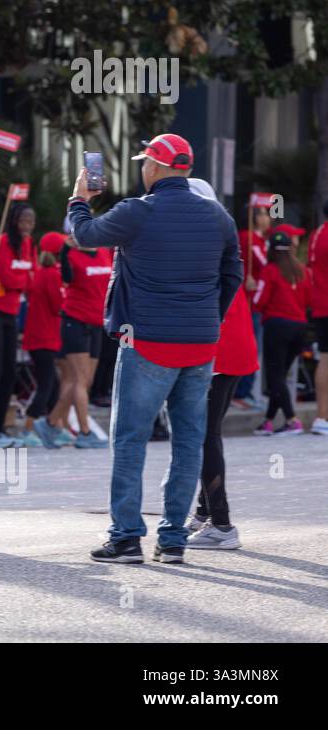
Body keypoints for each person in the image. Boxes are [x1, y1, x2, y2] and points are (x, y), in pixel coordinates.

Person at [69, 133, 242, 564]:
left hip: (146, 340)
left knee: (130, 439)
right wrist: (207, 317)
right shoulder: (218, 216)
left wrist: (79, 199)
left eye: (145, 161)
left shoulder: (137, 212)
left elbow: (84, 235)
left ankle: (126, 537)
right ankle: (173, 540)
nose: (142, 168)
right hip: (200, 344)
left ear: (155, 168)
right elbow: (233, 274)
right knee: (189, 442)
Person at [185, 178, 259, 550]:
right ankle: (203, 513)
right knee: (207, 431)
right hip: (231, 348)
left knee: (202, 435)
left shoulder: (202, 241)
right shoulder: (219, 234)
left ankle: (223, 524)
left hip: (218, 349)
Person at [40, 234, 114, 449]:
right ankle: (84, 432)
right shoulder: (71, 255)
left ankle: (50, 423)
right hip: (75, 322)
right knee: (79, 380)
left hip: (97, 323)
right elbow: (67, 279)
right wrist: (64, 252)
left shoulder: (102, 252)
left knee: (83, 382)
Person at [0, 202, 36, 447]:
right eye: (23, 221)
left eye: (31, 222)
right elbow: (8, 277)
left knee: (10, 371)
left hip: (12, 314)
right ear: (13, 221)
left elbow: (32, 281)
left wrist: (21, 279)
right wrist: (23, 278)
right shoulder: (2, 241)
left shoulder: (29, 244)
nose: (27, 227)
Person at [251, 226, 310, 435]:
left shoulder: (270, 271)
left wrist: (252, 288)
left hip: (277, 326)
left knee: (275, 376)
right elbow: (309, 299)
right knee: (280, 376)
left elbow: (259, 302)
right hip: (300, 327)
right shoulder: (302, 271)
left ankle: (292, 419)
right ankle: (268, 421)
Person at [18, 231, 67, 447]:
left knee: (53, 384)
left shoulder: (41, 273)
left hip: (40, 336)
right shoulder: (53, 275)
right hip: (45, 336)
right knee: (47, 384)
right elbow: (59, 306)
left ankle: (53, 426)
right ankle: (29, 426)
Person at [232, 200, 272, 409]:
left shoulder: (261, 239)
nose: (268, 218)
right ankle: (241, 392)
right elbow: (266, 264)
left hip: (258, 302)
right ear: (253, 217)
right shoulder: (248, 238)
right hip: (249, 302)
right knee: (251, 347)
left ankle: (245, 391)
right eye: (263, 214)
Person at [309, 202, 328, 435]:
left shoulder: (318, 234)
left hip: (321, 304)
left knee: (325, 358)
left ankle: (323, 415)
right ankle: (322, 416)